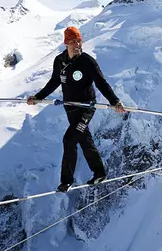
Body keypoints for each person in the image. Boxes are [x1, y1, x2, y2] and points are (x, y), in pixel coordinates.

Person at [27, 26, 126, 192]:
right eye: (73, 41)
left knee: (69, 139)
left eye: (79, 40)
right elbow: (54, 82)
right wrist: (38, 97)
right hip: (70, 108)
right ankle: (100, 172)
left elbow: (101, 83)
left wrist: (115, 101)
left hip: (86, 108)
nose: (77, 44)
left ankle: (66, 180)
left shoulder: (88, 62)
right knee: (84, 139)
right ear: (66, 43)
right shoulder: (60, 61)